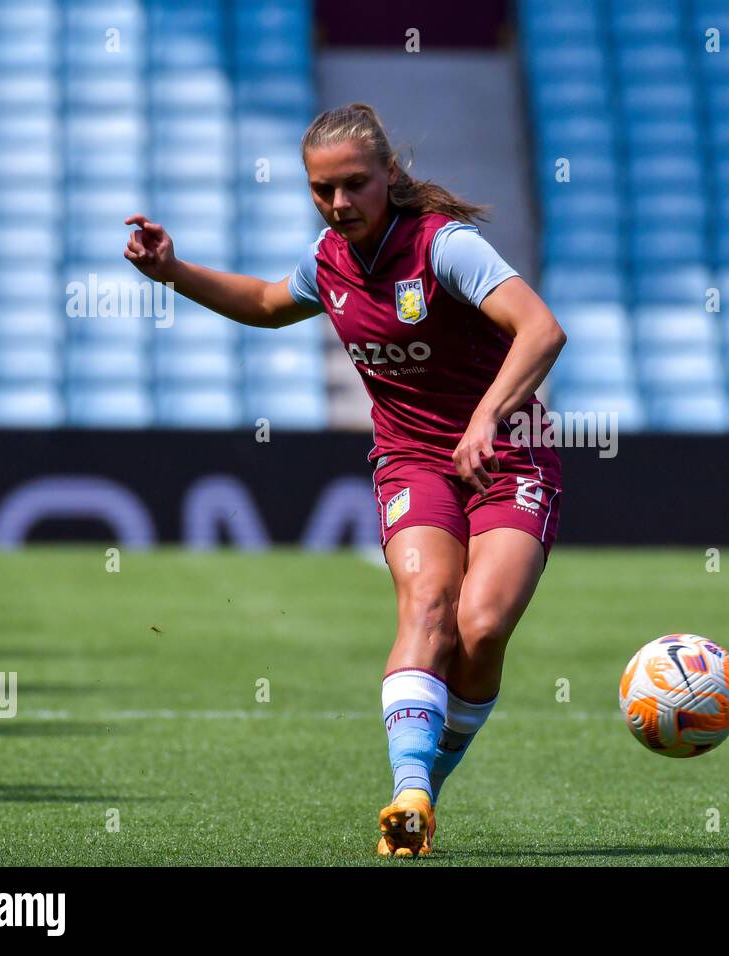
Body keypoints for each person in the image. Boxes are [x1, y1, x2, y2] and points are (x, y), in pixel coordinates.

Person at [124, 102, 566, 857]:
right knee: (429, 604)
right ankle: (410, 795)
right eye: (321, 190)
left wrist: (488, 416)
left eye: (353, 185)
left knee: (482, 628)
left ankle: (427, 780)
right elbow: (267, 304)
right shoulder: (327, 259)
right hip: (413, 462)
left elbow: (541, 329)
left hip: (507, 454)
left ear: (390, 176)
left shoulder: (444, 247)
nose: (337, 204)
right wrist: (174, 272)